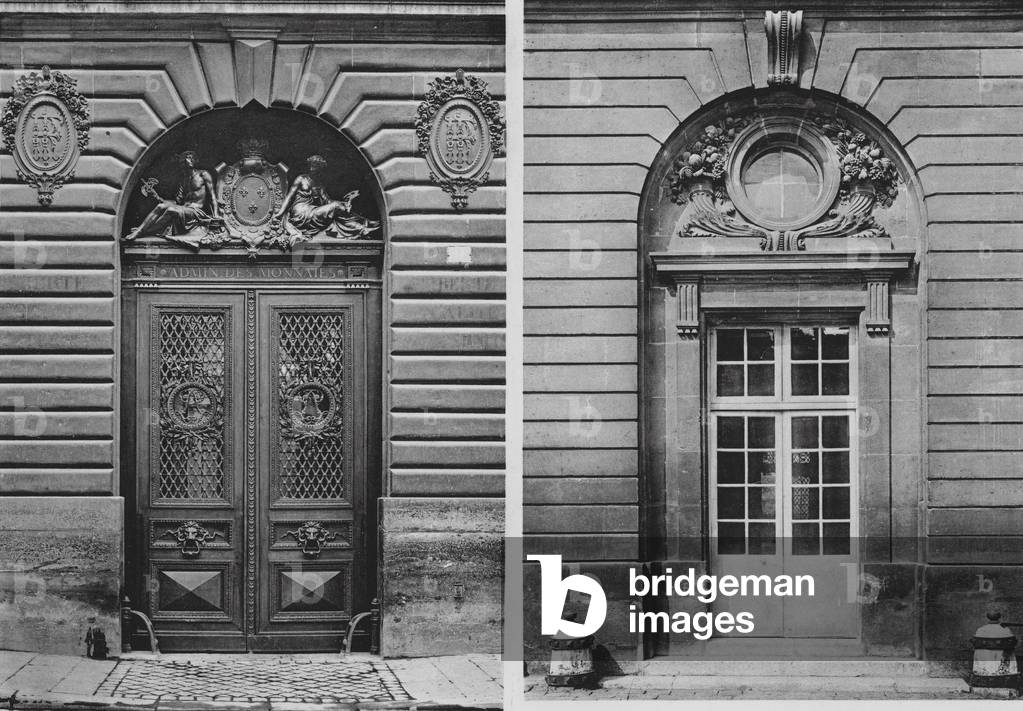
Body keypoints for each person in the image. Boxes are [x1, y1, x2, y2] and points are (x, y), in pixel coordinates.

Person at [274, 154, 380, 243]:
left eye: (316, 167)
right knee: (336, 207)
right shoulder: (301, 179)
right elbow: (289, 197)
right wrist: (279, 214)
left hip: (313, 213)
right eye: (312, 166)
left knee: (339, 218)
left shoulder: (319, 185)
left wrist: (345, 202)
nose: (313, 169)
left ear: (320, 169)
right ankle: (365, 223)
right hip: (300, 214)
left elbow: (327, 201)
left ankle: (363, 227)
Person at [125, 151, 219, 241]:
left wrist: (216, 215)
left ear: (195, 160)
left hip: (196, 211)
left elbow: (212, 196)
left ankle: (145, 232)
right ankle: (139, 230)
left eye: (191, 158)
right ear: (182, 162)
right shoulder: (184, 179)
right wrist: (162, 200)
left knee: (171, 210)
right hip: (184, 208)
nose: (189, 160)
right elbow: (178, 201)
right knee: (160, 206)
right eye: (187, 158)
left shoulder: (203, 174)